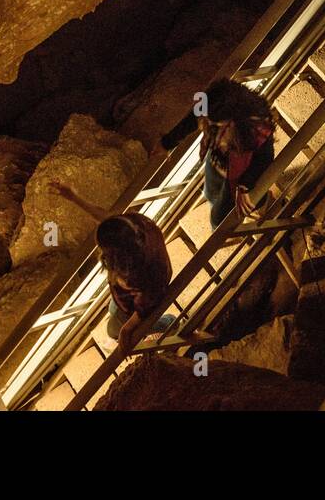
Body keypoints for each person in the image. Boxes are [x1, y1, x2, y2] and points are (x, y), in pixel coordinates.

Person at [48, 181, 173, 351]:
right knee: (114, 310)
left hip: (139, 300)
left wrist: (126, 331)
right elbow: (107, 219)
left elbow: (146, 304)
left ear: (116, 256)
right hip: (133, 293)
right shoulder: (136, 225)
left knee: (113, 329)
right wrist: (74, 197)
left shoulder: (139, 275)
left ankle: (169, 323)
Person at [160, 79, 275, 229]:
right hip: (218, 161)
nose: (211, 126)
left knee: (218, 220)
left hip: (240, 172)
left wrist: (245, 185)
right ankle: (257, 204)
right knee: (210, 194)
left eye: (219, 125)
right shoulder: (215, 101)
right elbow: (194, 117)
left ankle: (263, 203)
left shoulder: (257, 128)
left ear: (234, 120)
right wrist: (167, 143)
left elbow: (264, 159)